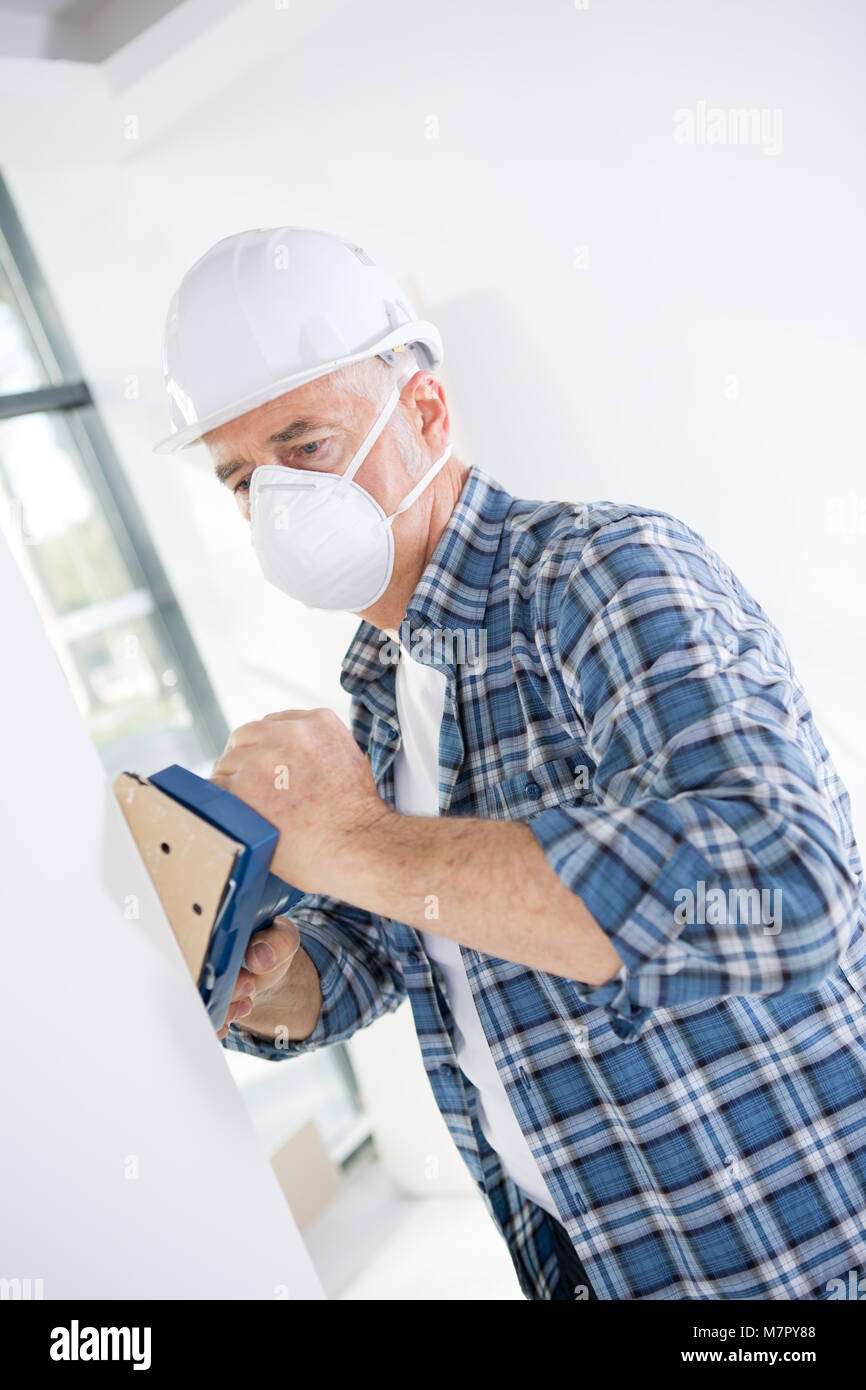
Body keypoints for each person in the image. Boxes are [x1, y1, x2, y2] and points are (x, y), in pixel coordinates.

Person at [154, 227, 866, 1301]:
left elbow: (783, 889)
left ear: (425, 412)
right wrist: (267, 981)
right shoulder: (383, 686)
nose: (274, 505)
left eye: (303, 446)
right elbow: (396, 949)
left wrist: (348, 834)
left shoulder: (597, 569)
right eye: (242, 479)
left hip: (784, 1264)